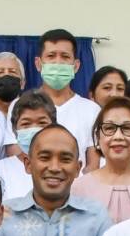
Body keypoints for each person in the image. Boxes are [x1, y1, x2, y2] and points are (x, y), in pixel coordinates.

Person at [72, 98, 130, 221]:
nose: (118, 136)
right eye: (109, 128)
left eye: (127, 128)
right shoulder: (78, 189)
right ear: (98, 136)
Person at [34, 29, 101, 158]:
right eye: (51, 56)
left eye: (65, 57)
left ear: (76, 66)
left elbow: (93, 163)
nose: (58, 62)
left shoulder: (92, 110)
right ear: (38, 64)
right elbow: (17, 158)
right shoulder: (20, 106)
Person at [0, 92, 57, 197]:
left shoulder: (64, 167)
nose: (34, 129)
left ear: (54, 127)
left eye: (42, 123)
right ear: (15, 130)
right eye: (26, 124)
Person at [0, 52, 25, 119]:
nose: (6, 75)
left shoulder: (34, 115)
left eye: (12, 71)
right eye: (0, 72)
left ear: (22, 83)